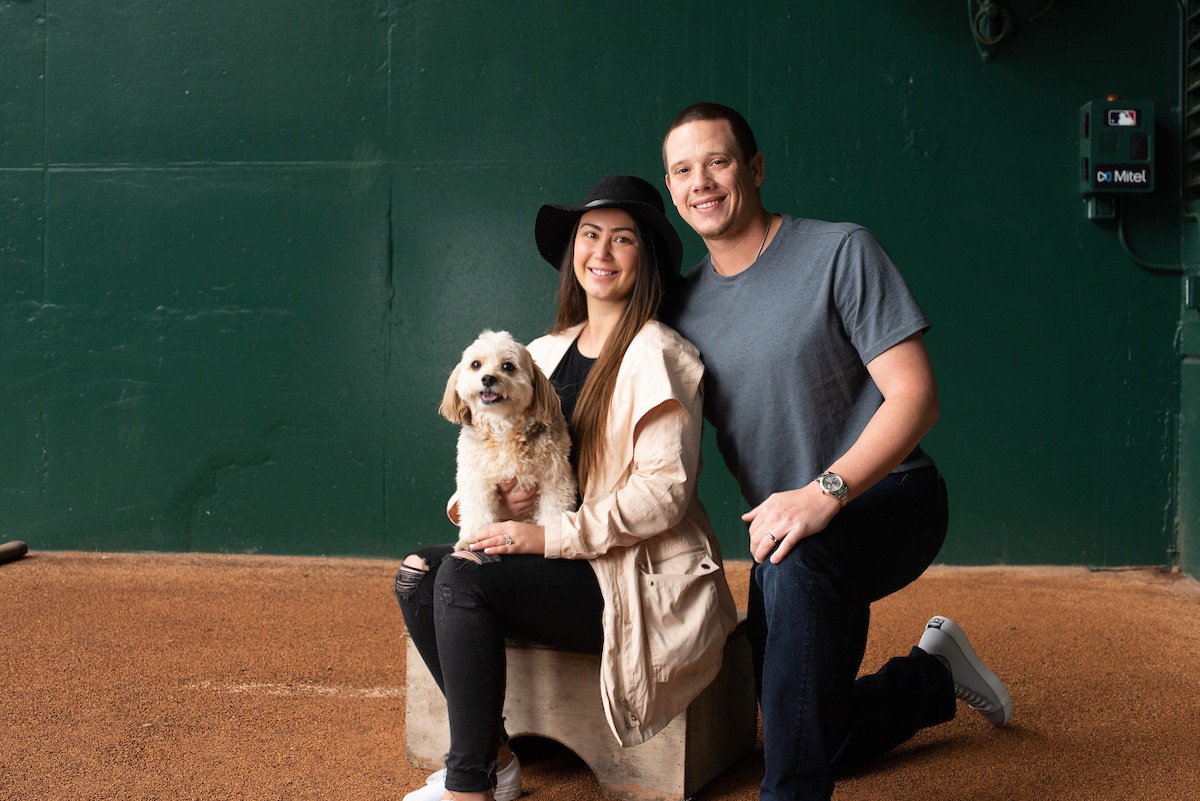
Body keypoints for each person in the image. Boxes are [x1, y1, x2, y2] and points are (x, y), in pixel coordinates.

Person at [660, 102, 1013, 801]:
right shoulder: (680, 308)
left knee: (790, 599)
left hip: (889, 496)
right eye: (682, 169)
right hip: (787, 531)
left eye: (718, 161)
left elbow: (916, 396)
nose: (701, 181)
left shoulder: (839, 251)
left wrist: (824, 492)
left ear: (755, 168)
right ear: (671, 189)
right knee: (811, 730)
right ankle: (931, 676)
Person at [395, 174, 738, 801]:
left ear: (647, 258)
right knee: (419, 573)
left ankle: (469, 784)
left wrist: (547, 533)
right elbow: (491, 448)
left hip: (629, 574)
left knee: (464, 576)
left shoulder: (661, 353)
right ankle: (494, 758)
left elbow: (665, 494)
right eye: (590, 236)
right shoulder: (542, 352)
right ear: (571, 252)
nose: (601, 253)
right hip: (555, 556)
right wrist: (505, 505)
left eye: (623, 240)